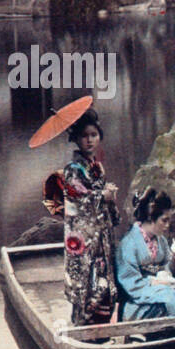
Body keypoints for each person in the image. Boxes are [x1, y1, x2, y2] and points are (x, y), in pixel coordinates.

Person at [42, 107, 119, 324]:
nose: (89, 140)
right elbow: (76, 200)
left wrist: (109, 198)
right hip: (82, 236)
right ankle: (81, 330)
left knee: (103, 287)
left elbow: (99, 197)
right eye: (84, 136)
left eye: (93, 135)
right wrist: (101, 196)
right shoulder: (73, 169)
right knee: (86, 287)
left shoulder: (97, 167)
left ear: (99, 137)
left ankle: (102, 334)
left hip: (99, 235)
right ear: (76, 139)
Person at [116, 188, 175, 321]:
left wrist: (167, 275)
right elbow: (131, 284)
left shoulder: (161, 240)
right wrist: (155, 282)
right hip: (138, 299)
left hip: (160, 289)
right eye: (164, 220)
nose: (167, 225)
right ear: (150, 218)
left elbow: (165, 267)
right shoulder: (128, 244)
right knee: (168, 298)